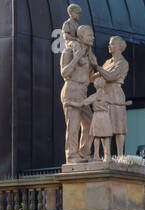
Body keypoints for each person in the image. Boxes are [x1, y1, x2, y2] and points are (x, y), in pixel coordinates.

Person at [60, 25, 98, 164]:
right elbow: (65, 73)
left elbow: (91, 79)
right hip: (71, 89)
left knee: (92, 123)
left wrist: (96, 67)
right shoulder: (69, 51)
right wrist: (76, 58)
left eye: (92, 35)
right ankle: (72, 156)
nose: (92, 37)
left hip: (83, 92)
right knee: (73, 126)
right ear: (81, 37)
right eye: (89, 35)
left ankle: (84, 153)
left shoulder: (90, 55)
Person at [87, 36, 130, 159]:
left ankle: (120, 155)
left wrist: (97, 67)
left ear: (120, 47)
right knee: (105, 125)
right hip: (105, 93)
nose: (109, 46)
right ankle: (107, 155)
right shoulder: (107, 62)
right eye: (109, 44)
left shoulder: (123, 63)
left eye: (112, 44)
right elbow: (92, 78)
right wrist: (92, 66)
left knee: (118, 126)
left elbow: (111, 77)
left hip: (115, 93)